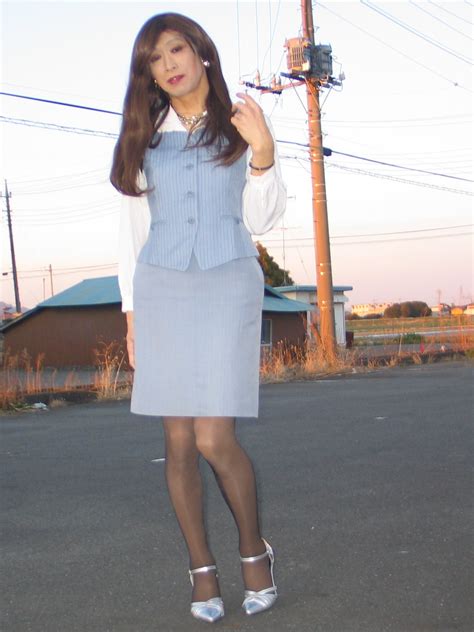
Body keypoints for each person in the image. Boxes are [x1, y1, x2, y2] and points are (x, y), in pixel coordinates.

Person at [110, 12, 286, 624]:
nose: (169, 65)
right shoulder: (143, 137)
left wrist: (263, 154)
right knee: (178, 441)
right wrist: (132, 316)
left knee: (213, 437)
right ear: (150, 75)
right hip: (162, 288)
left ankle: (254, 551)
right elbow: (132, 234)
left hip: (226, 282)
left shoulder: (241, 123)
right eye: (154, 60)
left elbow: (262, 220)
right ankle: (201, 568)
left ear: (201, 52)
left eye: (176, 50)